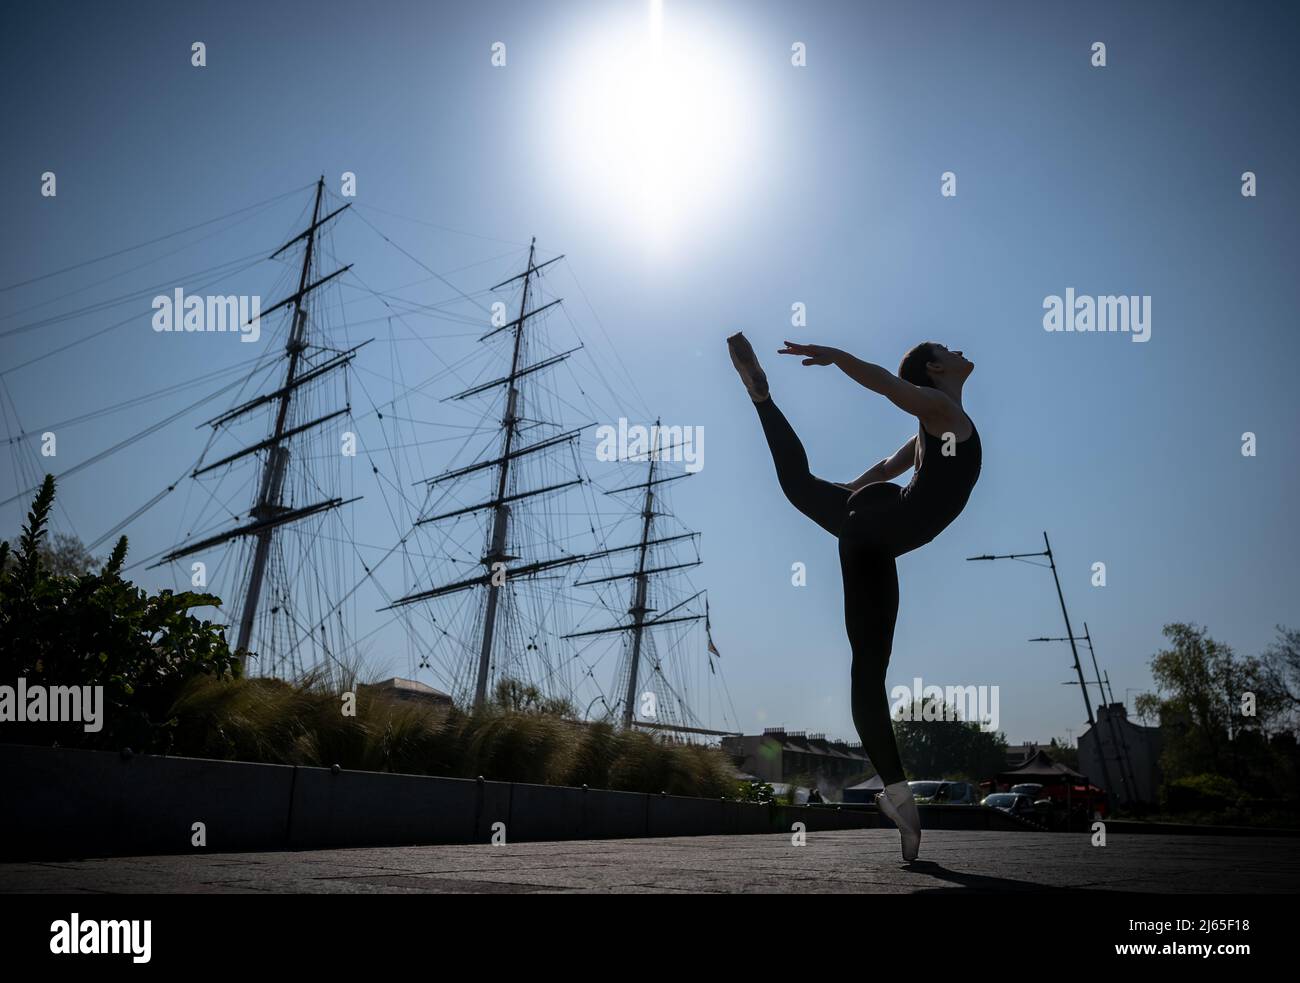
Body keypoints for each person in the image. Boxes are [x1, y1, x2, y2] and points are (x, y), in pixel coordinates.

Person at [727, 333, 981, 861]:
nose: (959, 350)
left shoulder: (934, 425)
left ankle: (901, 801)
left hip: (872, 537)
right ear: (935, 369)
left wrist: (839, 502)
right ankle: (897, 793)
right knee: (866, 670)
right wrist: (841, 358)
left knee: (868, 670)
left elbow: (888, 467)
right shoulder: (939, 410)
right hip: (880, 525)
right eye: (948, 349)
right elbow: (888, 385)